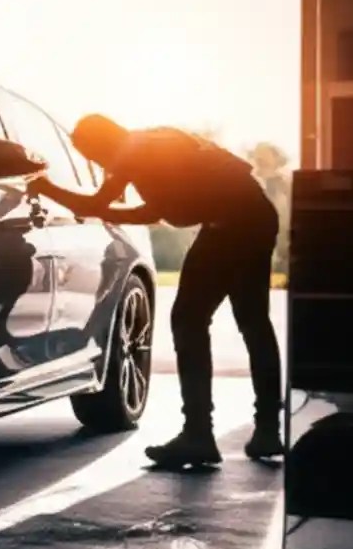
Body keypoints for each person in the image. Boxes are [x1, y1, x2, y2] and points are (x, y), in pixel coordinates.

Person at [27, 114, 283, 466]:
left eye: (92, 155)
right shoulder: (154, 142)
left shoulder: (131, 154)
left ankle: (198, 434)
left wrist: (43, 186)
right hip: (257, 215)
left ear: (100, 143)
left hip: (229, 226)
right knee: (254, 322)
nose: (98, 164)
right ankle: (268, 428)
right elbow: (159, 210)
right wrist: (112, 212)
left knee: (188, 320)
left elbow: (96, 205)